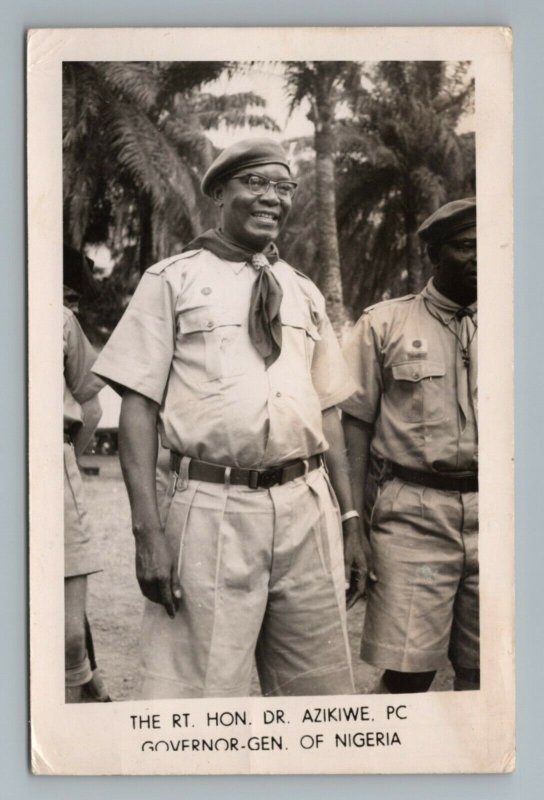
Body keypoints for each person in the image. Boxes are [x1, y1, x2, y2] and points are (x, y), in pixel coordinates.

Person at [93, 138, 367, 698]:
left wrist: (351, 518)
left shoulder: (304, 291)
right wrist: (148, 534)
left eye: (284, 187)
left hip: (306, 507)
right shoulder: (171, 280)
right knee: (196, 697)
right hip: (212, 507)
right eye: (256, 183)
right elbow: (138, 409)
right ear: (219, 193)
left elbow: (330, 414)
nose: (273, 198)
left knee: (320, 692)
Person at [341, 198, 479, 693]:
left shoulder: (516, 322)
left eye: (488, 245)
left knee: (489, 676)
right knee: (407, 674)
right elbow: (353, 425)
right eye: (465, 247)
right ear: (433, 255)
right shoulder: (385, 324)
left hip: (500, 515)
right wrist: (353, 523)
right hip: (413, 514)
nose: (480, 257)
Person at [63, 245, 110, 702]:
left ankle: (88, 688)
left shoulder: (62, 325)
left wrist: (66, 458)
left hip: (52, 464)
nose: (71, 306)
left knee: (68, 633)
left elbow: (90, 403)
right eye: (68, 296)